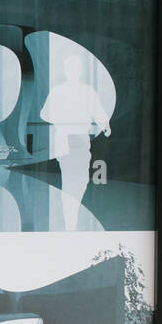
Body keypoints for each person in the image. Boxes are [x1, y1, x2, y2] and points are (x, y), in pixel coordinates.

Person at [39, 55, 112, 230]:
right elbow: (45, 113)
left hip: (80, 139)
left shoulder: (88, 91)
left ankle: (72, 217)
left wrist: (105, 125)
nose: (74, 71)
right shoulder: (58, 91)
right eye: (71, 68)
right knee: (70, 181)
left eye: (76, 68)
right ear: (67, 71)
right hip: (65, 139)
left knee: (80, 181)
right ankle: (70, 222)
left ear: (79, 71)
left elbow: (99, 113)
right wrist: (62, 120)